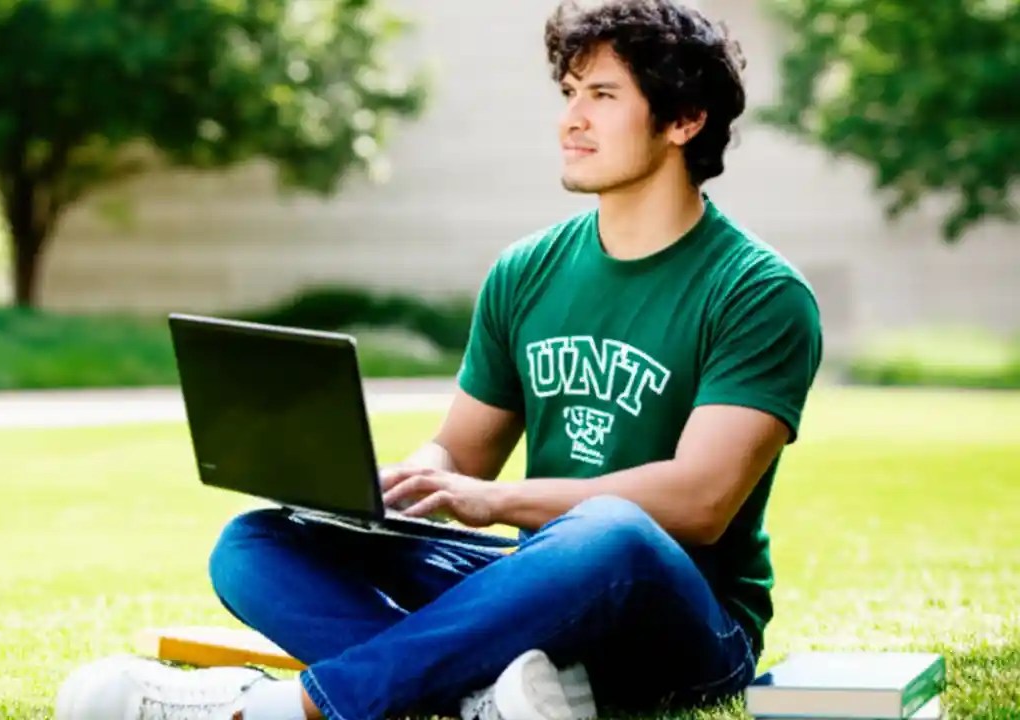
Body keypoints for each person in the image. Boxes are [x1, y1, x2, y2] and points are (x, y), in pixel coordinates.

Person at [55, 0, 823, 718]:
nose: (571, 120)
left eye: (602, 96)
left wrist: (491, 503)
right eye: (567, 93)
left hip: (682, 624)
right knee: (256, 543)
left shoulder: (757, 292)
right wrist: (404, 482)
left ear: (684, 120)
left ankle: (287, 706)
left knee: (608, 532)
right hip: (533, 593)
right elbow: (464, 452)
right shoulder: (527, 272)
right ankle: (493, 697)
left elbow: (699, 502)